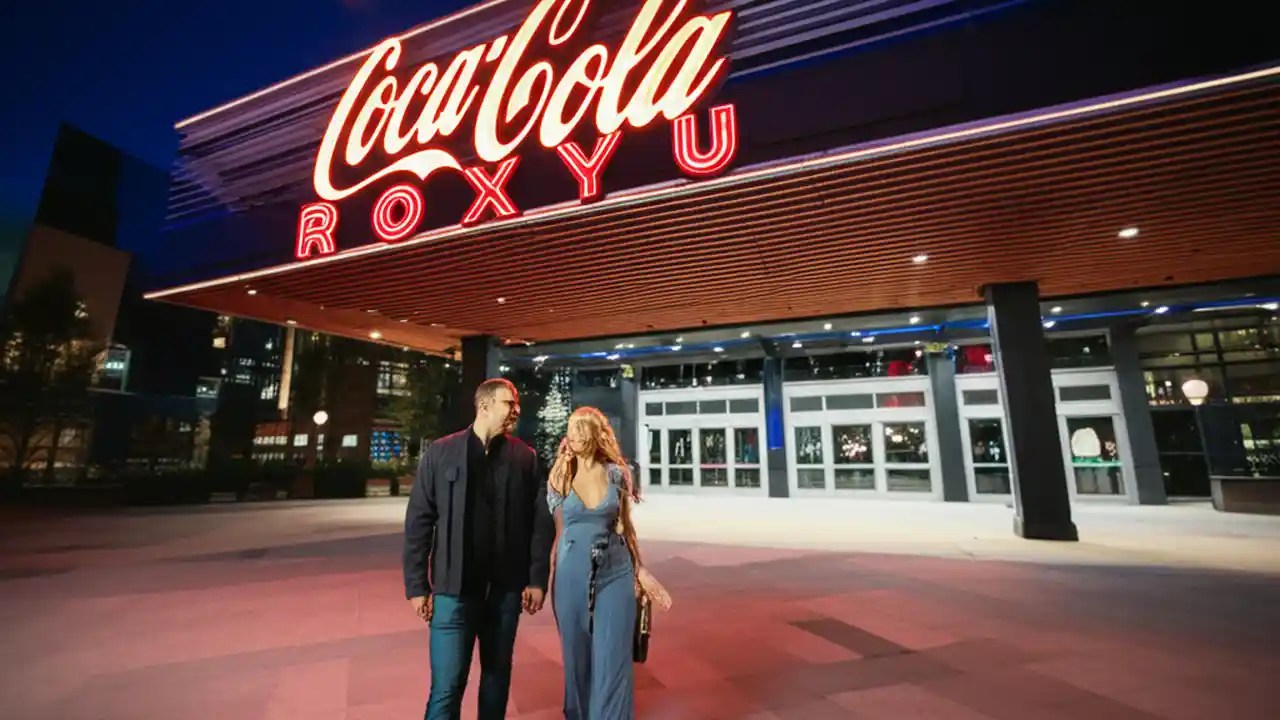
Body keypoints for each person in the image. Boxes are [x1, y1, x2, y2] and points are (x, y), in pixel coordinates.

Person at [403, 378, 555, 720]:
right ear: (484, 406)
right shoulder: (441, 453)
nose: (516, 410)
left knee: (496, 679)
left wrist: (536, 579)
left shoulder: (524, 458)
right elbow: (419, 523)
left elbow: (539, 524)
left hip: (504, 593)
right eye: (508, 403)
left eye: (517, 404)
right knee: (446, 687)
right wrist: (417, 587)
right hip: (453, 593)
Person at [548, 407, 673, 720]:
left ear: (595, 433)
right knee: (576, 662)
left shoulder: (617, 474)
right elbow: (558, 535)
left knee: (613, 662)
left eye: (580, 428)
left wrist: (640, 571)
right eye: (570, 428)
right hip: (570, 575)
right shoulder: (560, 475)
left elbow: (626, 527)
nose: (572, 434)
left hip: (615, 572)